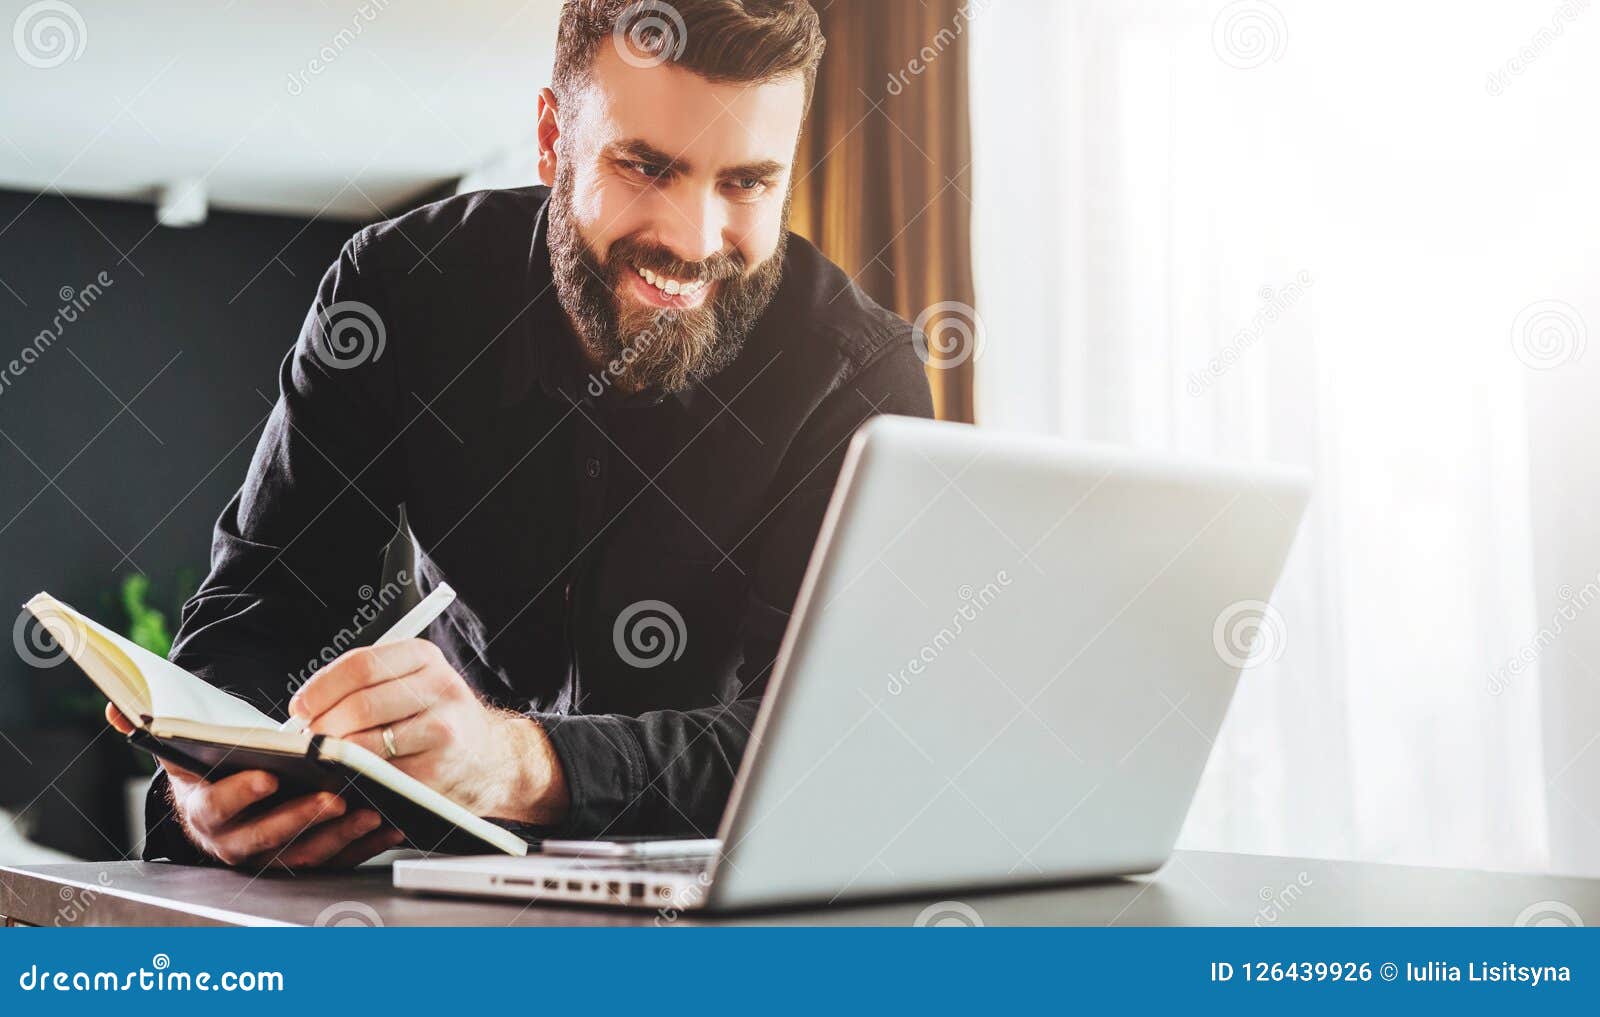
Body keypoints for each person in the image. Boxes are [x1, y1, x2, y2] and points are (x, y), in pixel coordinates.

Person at [117, 0, 934, 869]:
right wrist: (205, 783)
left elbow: (844, 739)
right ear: (553, 139)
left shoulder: (857, 375)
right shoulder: (398, 290)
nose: (694, 242)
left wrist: (521, 763)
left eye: (747, 182)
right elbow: (259, 603)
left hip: (723, 904)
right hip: (431, 880)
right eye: (647, 167)